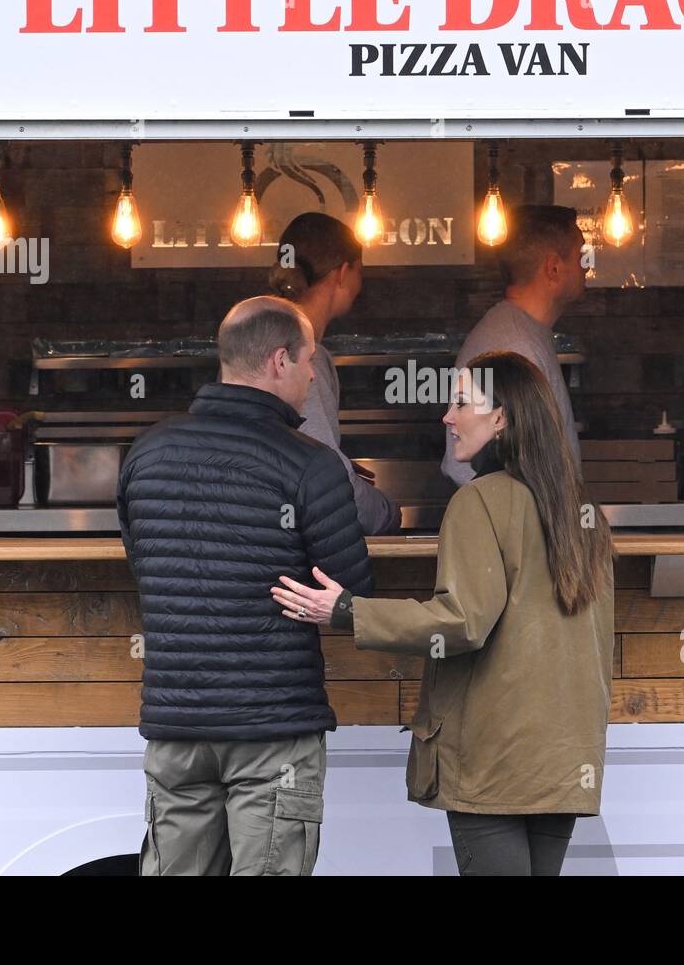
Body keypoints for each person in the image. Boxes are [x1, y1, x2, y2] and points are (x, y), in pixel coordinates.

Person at [272, 350, 615, 876]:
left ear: (501, 417)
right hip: (565, 759)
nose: (447, 417)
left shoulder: (481, 501)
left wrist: (347, 612)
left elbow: (461, 623)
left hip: (494, 761)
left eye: (460, 403)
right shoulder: (579, 509)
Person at [117, 295, 373, 876]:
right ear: (280, 360)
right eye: (309, 361)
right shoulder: (309, 464)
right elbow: (352, 596)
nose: (313, 375)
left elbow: (147, 568)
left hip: (177, 726)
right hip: (273, 731)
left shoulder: (146, 453)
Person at [271, 212, 401, 535]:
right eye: (360, 270)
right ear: (343, 273)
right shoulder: (302, 354)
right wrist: (389, 513)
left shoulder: (261, 339)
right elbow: (328, 485)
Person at [441, 204, 587, 486]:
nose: (588, 266)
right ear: (554, 267)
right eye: (581, 255)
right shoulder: (514, 345)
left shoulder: (526, 334)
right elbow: (463, 465)